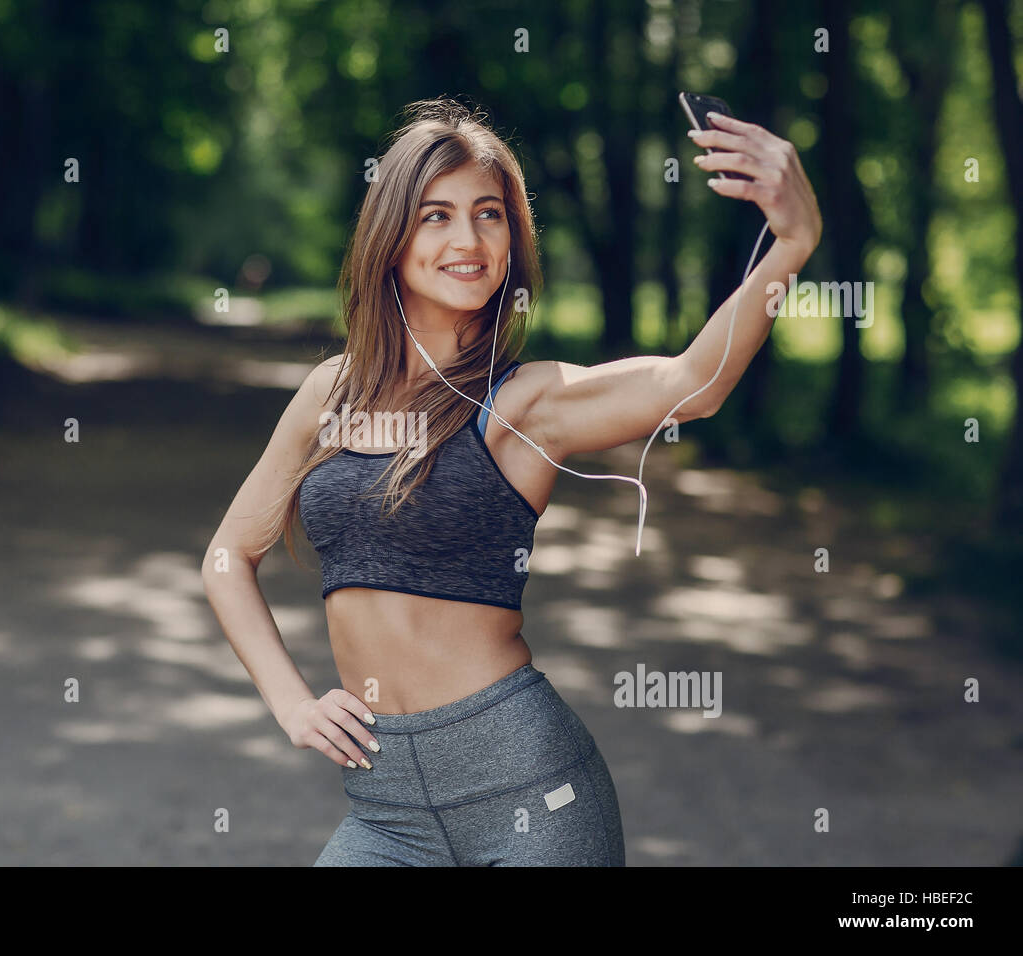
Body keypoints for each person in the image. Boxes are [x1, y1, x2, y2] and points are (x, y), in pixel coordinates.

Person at [201, 97, 821, 866]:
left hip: (532, 797)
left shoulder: (524, 402)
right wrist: (291, 703)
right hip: (385, 813)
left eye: (489, 215)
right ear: (390, 237)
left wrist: (792, 241)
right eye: (436, 215)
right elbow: (229, 556)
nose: (468, 239)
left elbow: (692, 383)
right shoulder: (331, 394)